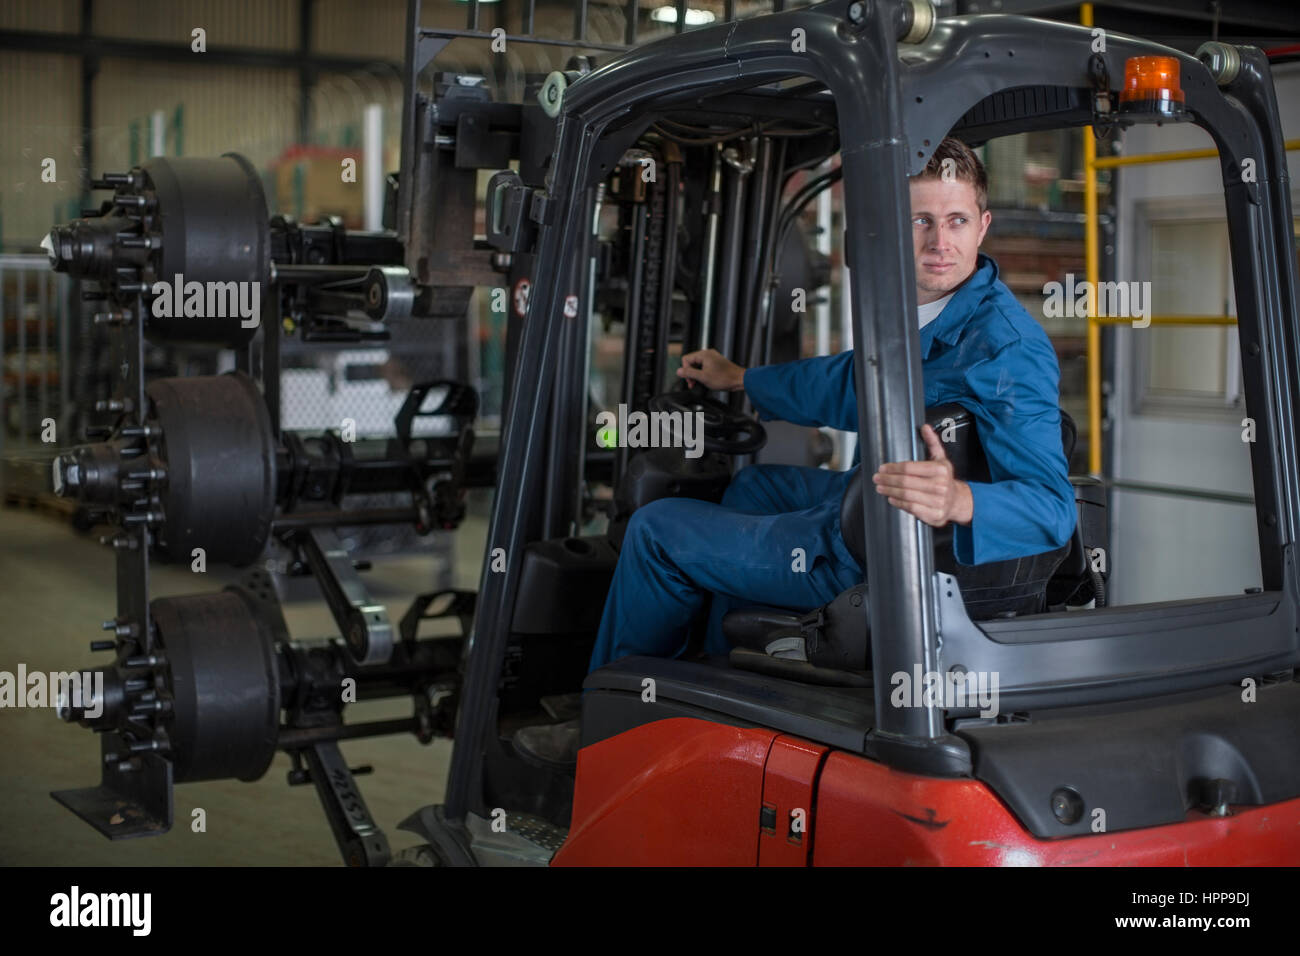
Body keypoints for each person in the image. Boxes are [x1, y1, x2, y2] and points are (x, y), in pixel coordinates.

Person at [513, 136, 1076, 766]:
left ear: (983, 225)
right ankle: (719, 678)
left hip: (885, 557)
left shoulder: (1006, 350)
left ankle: (611, 727)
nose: (938, 242)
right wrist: (744, 380)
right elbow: (848, 383)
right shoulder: (932, 312)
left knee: (655, 531)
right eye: (920, 220)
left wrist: (959, 498)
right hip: (882, 508)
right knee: (755, 489)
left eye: (956, 221)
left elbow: (1053, 510)